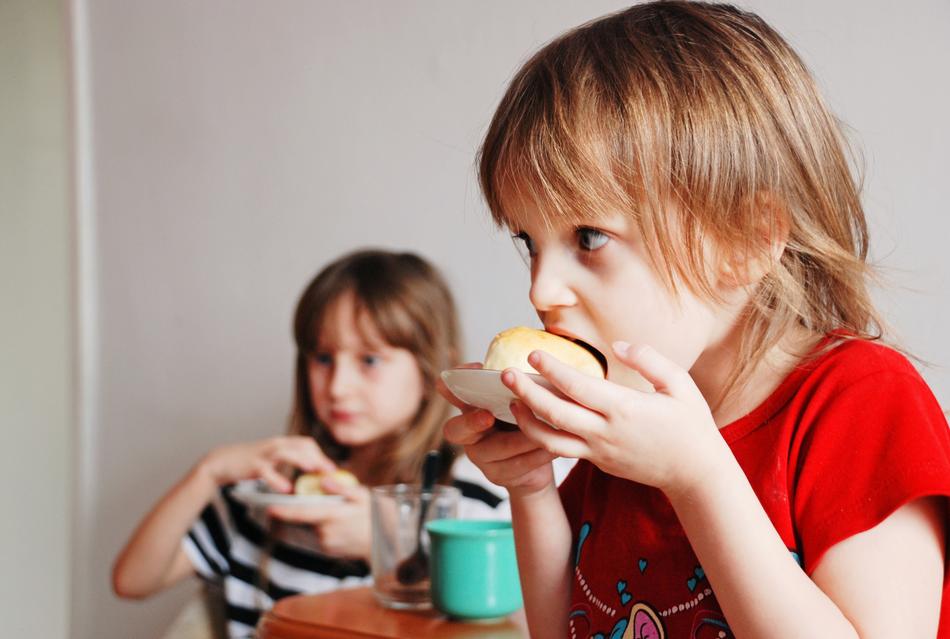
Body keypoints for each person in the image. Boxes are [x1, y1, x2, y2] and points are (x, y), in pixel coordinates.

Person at [442, 3, 950, 638]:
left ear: (745, 241)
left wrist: (698, 477)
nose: (541, 288)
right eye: (529, 242)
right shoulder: (626, 415)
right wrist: (532, 490)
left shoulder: (862, 404)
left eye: (590, 236)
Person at [113, 249, 507, 638]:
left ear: (431, 370)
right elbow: (133, 582)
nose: (337, 387)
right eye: (322, 358)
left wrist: (383, 544)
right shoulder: (266, 496)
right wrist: (208, 471)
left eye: (369, 360)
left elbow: (499, 625)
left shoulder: (471, 497)